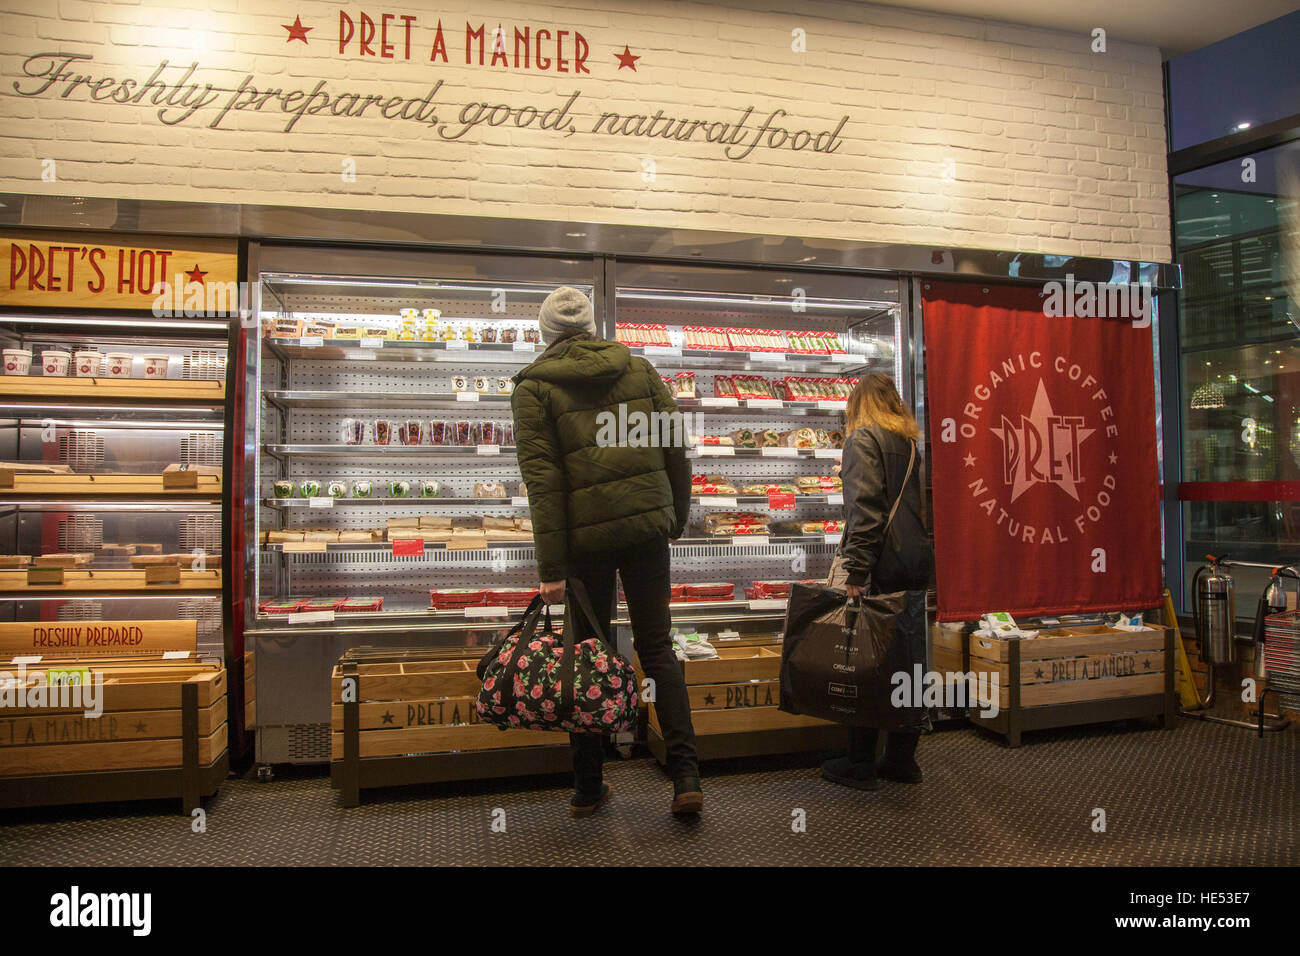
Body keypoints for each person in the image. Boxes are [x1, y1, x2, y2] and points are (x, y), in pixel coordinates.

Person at [510, 286, 702, 817]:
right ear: (591, 326)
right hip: (645, 532)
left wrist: (550, 569)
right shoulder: (639, 370)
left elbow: (543, 485)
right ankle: (686, 777)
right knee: (658, 649)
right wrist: (675, 518)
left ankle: (589, 786)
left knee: (585, 651)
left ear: (545, 333)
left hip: (583, 543)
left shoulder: (533, 388)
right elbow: (676, 448)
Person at [821, 372, 932, 790]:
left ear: (856, 404)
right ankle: (903, 761)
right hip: (913, 559)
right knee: (908, 659)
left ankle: (860, 762)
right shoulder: (906, 442)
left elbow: (865, 512)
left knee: (863, 659)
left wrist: (857, 571)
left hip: (880, 563)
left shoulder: (861, 439)